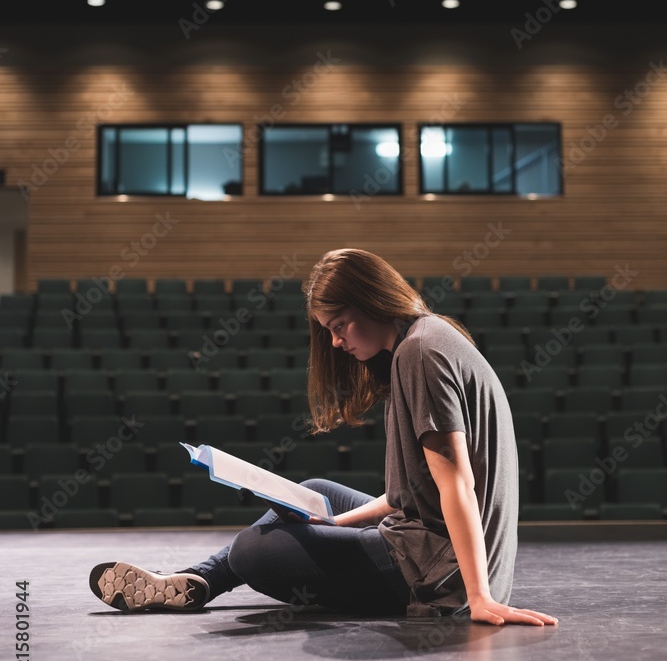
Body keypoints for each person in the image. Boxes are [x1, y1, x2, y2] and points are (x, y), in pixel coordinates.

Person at [89, 249, 558, 627]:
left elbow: (457, 482)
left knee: (254, 550)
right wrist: (337, 525)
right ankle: (198, 580)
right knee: (315, 494)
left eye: (338, 327)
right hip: (435, 544)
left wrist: (478, 597)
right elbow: (414, 494)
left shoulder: (418, 353)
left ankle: (204, 577)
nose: (336, 343)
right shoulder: (430, 336)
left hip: (440, 570)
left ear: (372, 299)